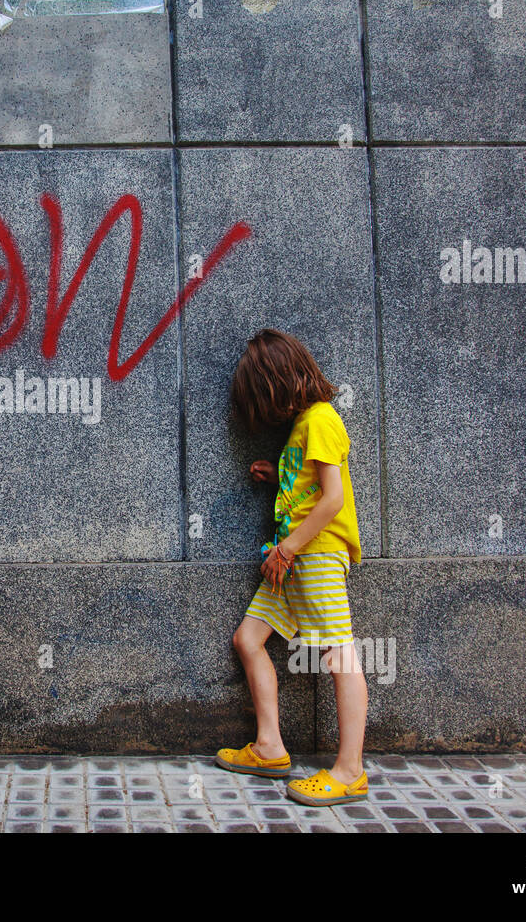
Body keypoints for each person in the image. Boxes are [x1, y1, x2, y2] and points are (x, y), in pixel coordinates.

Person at [214, 328, 368, 806]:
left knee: (339, 655)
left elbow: (333, 499)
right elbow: (306, 488)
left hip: (311, 554)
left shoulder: (321, 420)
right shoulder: (304, 426)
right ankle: (269, 746)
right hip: (292, 558)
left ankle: (349, 772)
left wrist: (287, 550)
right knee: (248, 638)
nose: (268, 412)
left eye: (265, 400)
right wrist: (275, 471)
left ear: (280, 383)